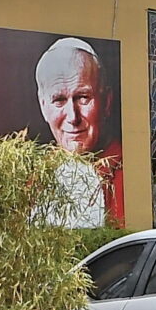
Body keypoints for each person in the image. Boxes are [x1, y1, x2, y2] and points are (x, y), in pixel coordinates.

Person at [35, 38, 124, 226]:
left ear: (106, 102)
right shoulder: (35, 178)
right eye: (58, 100)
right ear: (43, 107)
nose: (72, 117)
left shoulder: (127, 173)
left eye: (83, 97)